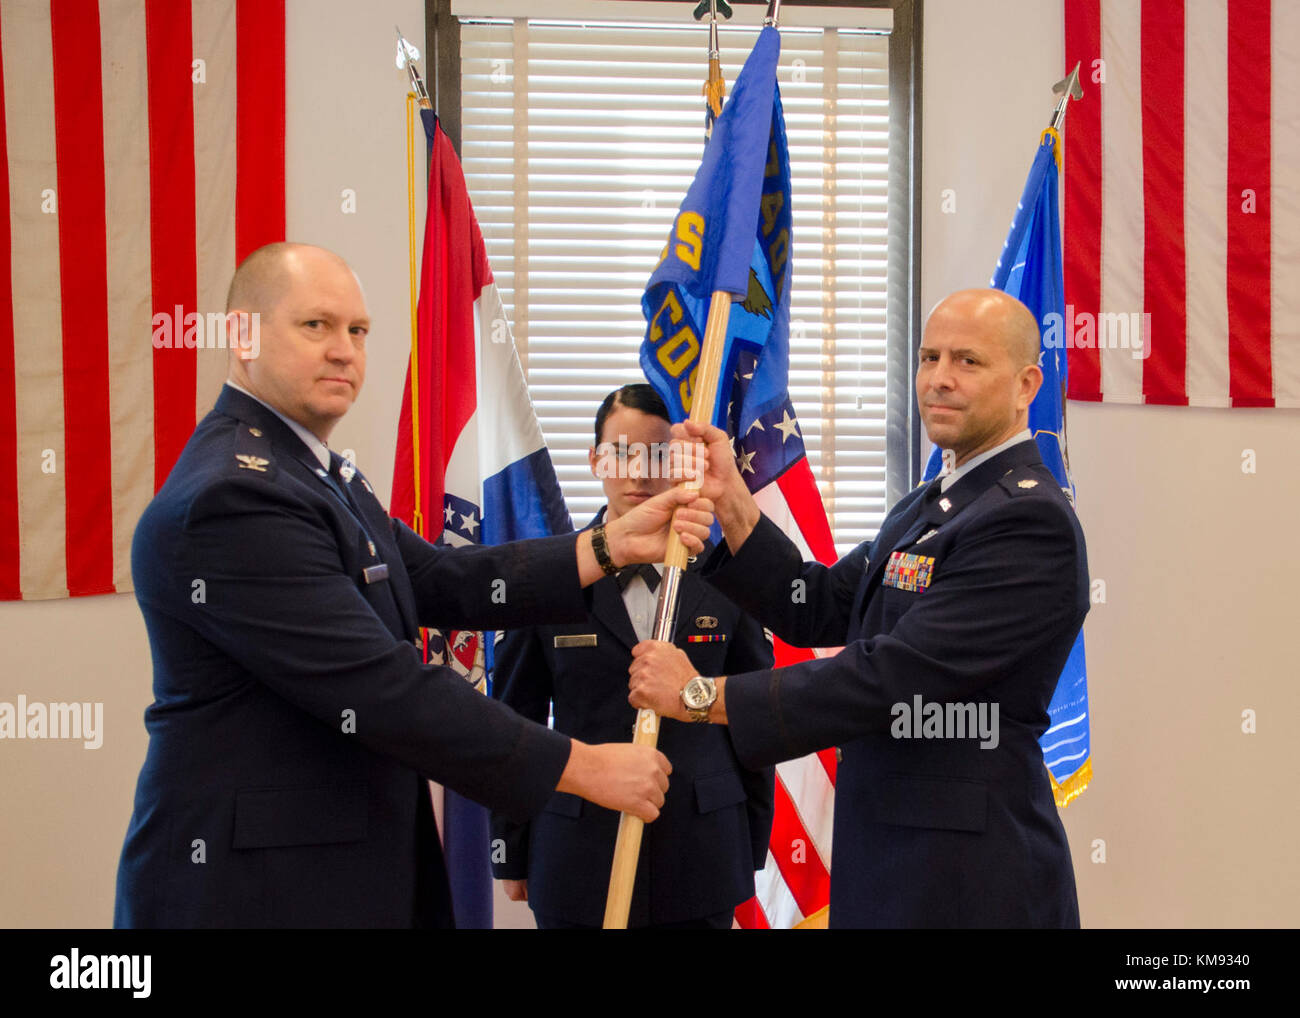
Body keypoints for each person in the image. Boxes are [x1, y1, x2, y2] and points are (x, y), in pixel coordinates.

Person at [115, 243, 715, 928]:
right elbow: (383, 688)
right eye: (316, 326)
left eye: (358, 331)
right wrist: (581, 768)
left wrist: (608, 546)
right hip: (257, 889)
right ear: (243, 336)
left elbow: (442, 578)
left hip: (339, 869)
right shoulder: (234, 496)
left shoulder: (317, 476)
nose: (345, 351)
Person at [629, 288, 1089, 928]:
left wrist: (704, 696)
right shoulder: (929, 503)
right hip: (888, 861)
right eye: (929, 358)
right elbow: (815, 604)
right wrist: (732, 499)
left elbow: (890, 677)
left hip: (969, 880)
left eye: (968, 361)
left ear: (1026, 385)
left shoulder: (1026, 520)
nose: (939, 379)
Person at [489, 384, 775, 929]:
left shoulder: (729, 573)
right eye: (622, 453)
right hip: (577, 847)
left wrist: (750, 843)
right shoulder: (553, 573)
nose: (639, 474)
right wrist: (511, 846)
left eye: (658, 454)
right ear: (595, 460)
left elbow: (752, 718)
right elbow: (515, 718)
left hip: (702, 852)